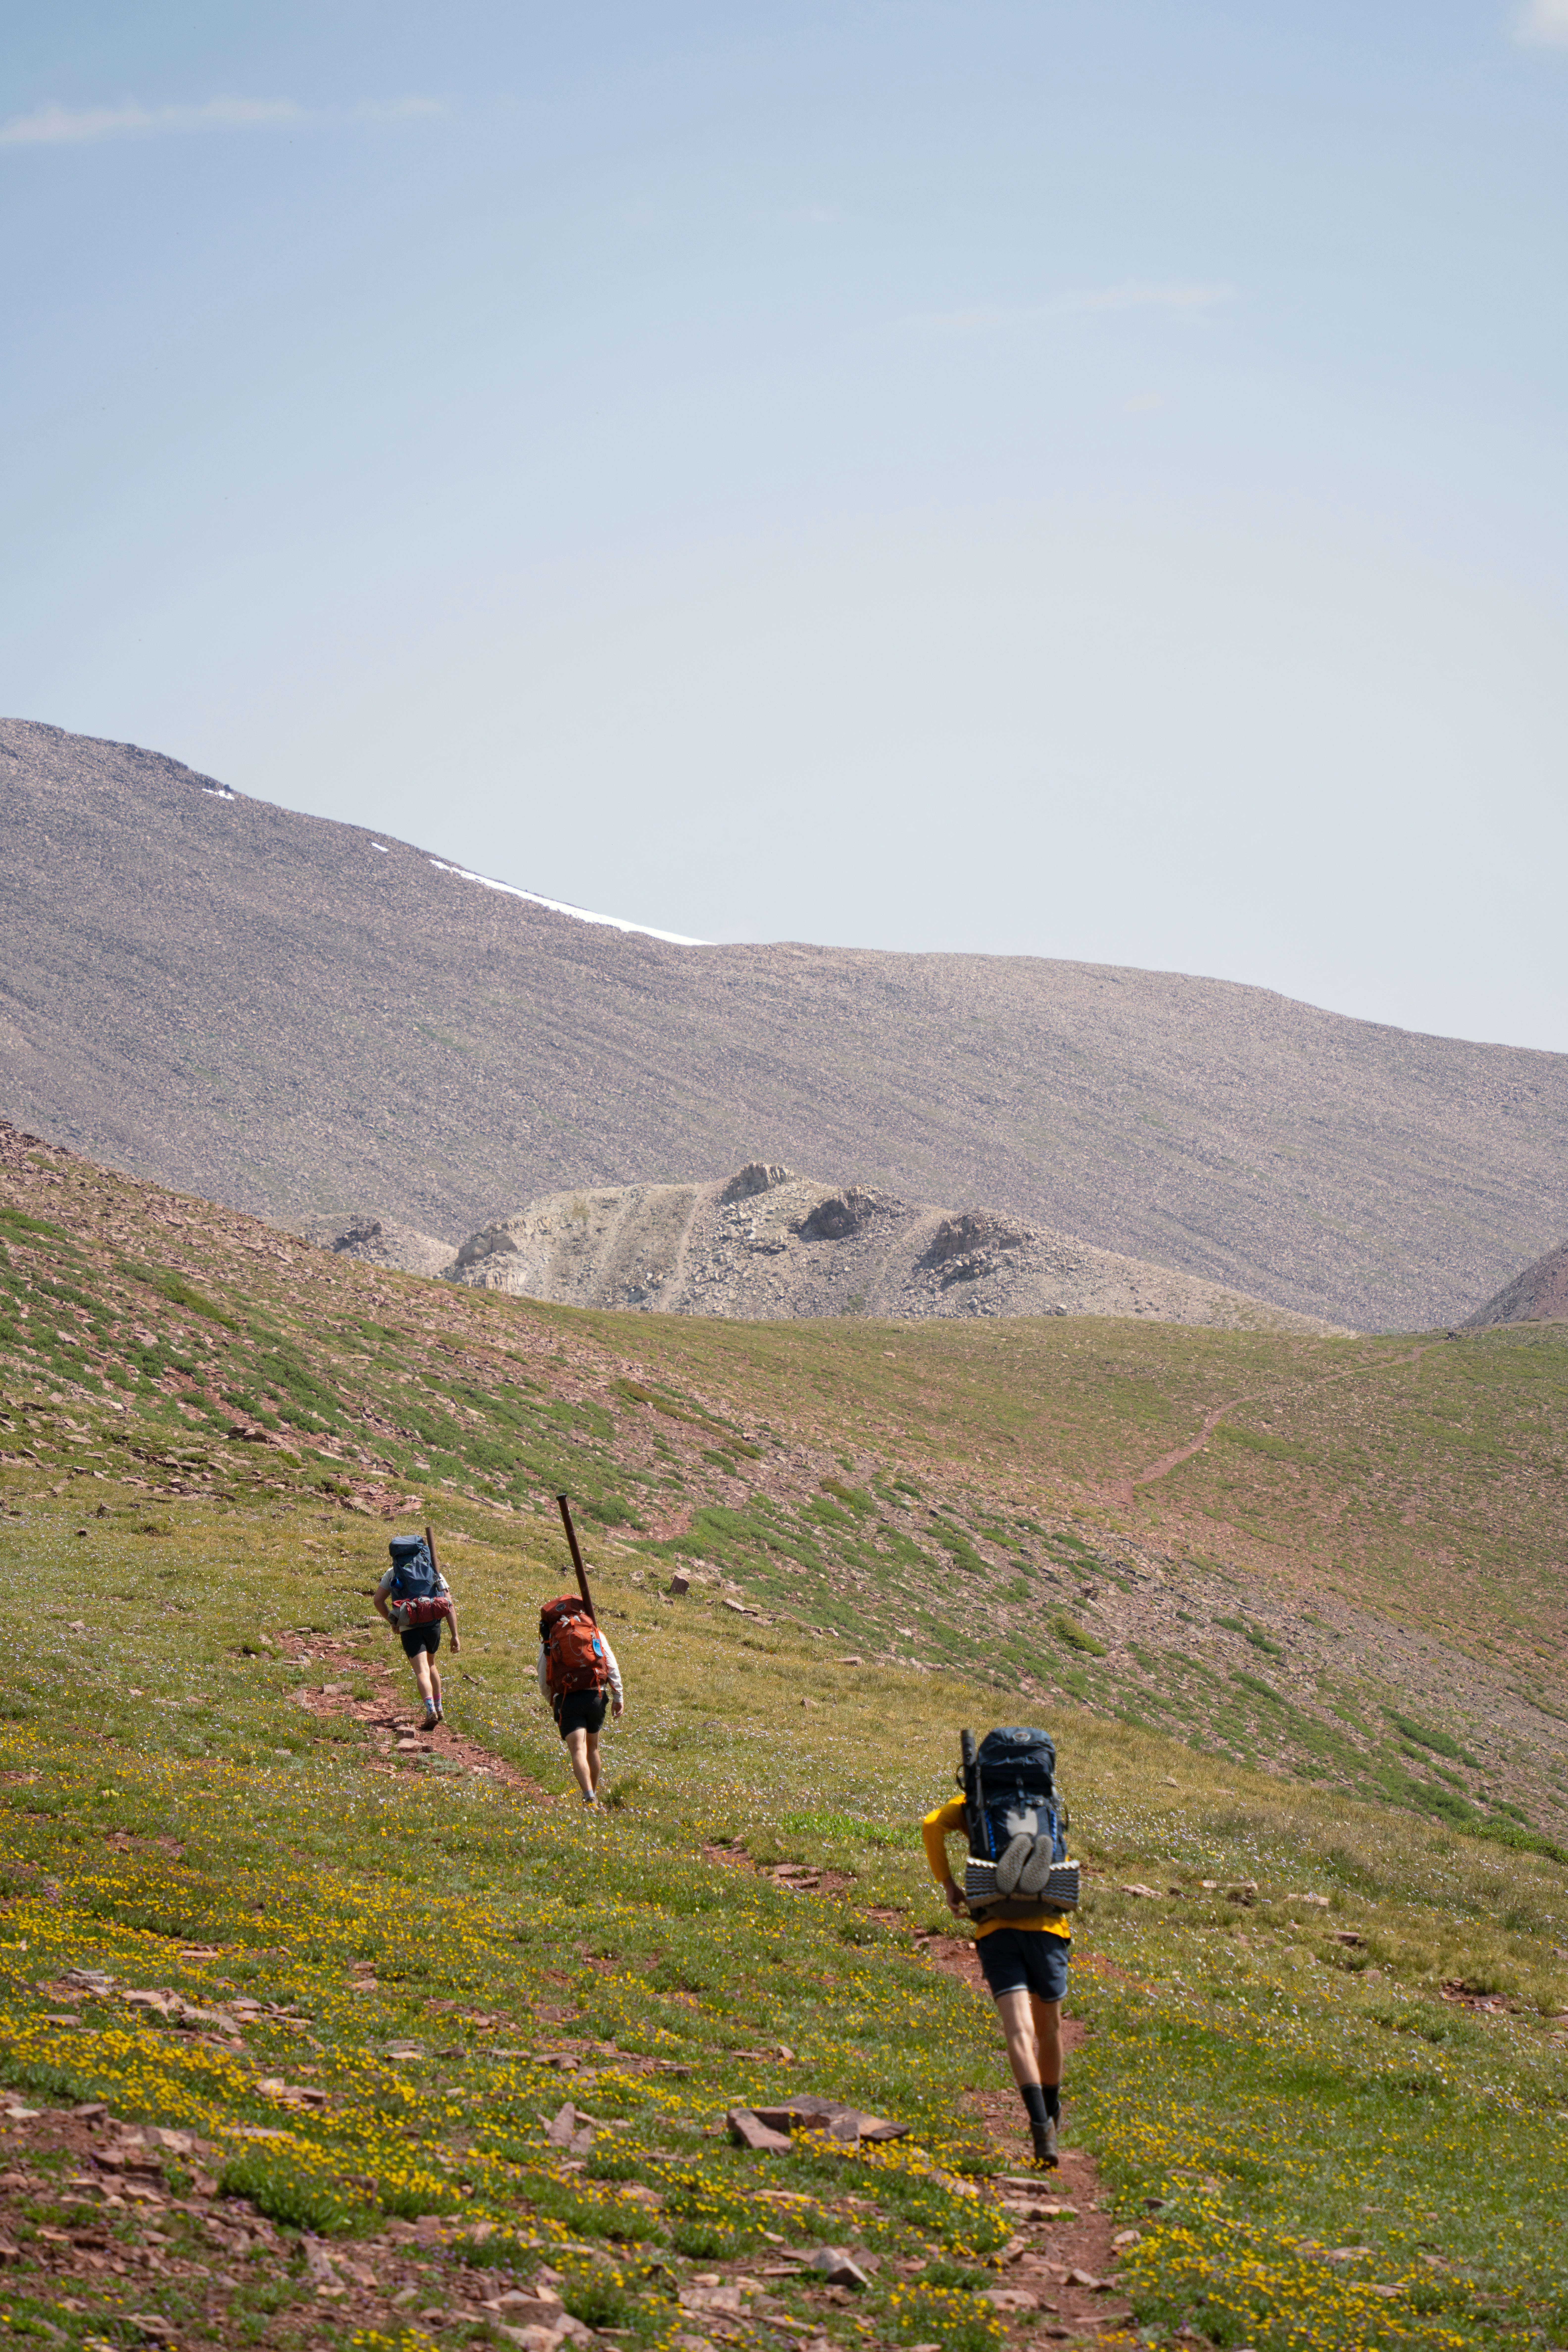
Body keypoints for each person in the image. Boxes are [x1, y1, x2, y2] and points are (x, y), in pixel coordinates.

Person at [922, 1741, 1073, 2168]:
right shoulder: (1045, 1798)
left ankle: (1039, 2125)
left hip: (995, 1924)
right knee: (1051, 2028)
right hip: (1048, 1923)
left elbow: (931, 1824)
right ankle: (1054, 2108)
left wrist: (949, 1883)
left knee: (1018, 2031)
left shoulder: (976, 1799)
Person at [537, 1599, 623, 1804]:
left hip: (568, 1698)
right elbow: (610, 1663)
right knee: (593, 1749)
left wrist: (553, 1700)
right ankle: (593, 1794)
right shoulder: (593, 1631)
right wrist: (618, 1696)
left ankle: (588, 1796)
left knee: (578, 1750)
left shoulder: (551, 1639)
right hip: (596, 1695)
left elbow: (544, 1676)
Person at [374, 1534, 459, 1730]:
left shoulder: (393, 1572)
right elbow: (449, 1604)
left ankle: (430, 1711)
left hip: (409, 1625)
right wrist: (455, 1635)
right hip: (433, 1624)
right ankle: (439, 1708)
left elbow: (378, 1601)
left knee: (421, 1670)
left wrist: (393, 1621)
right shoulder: (433, 1569)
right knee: (431, 1665)